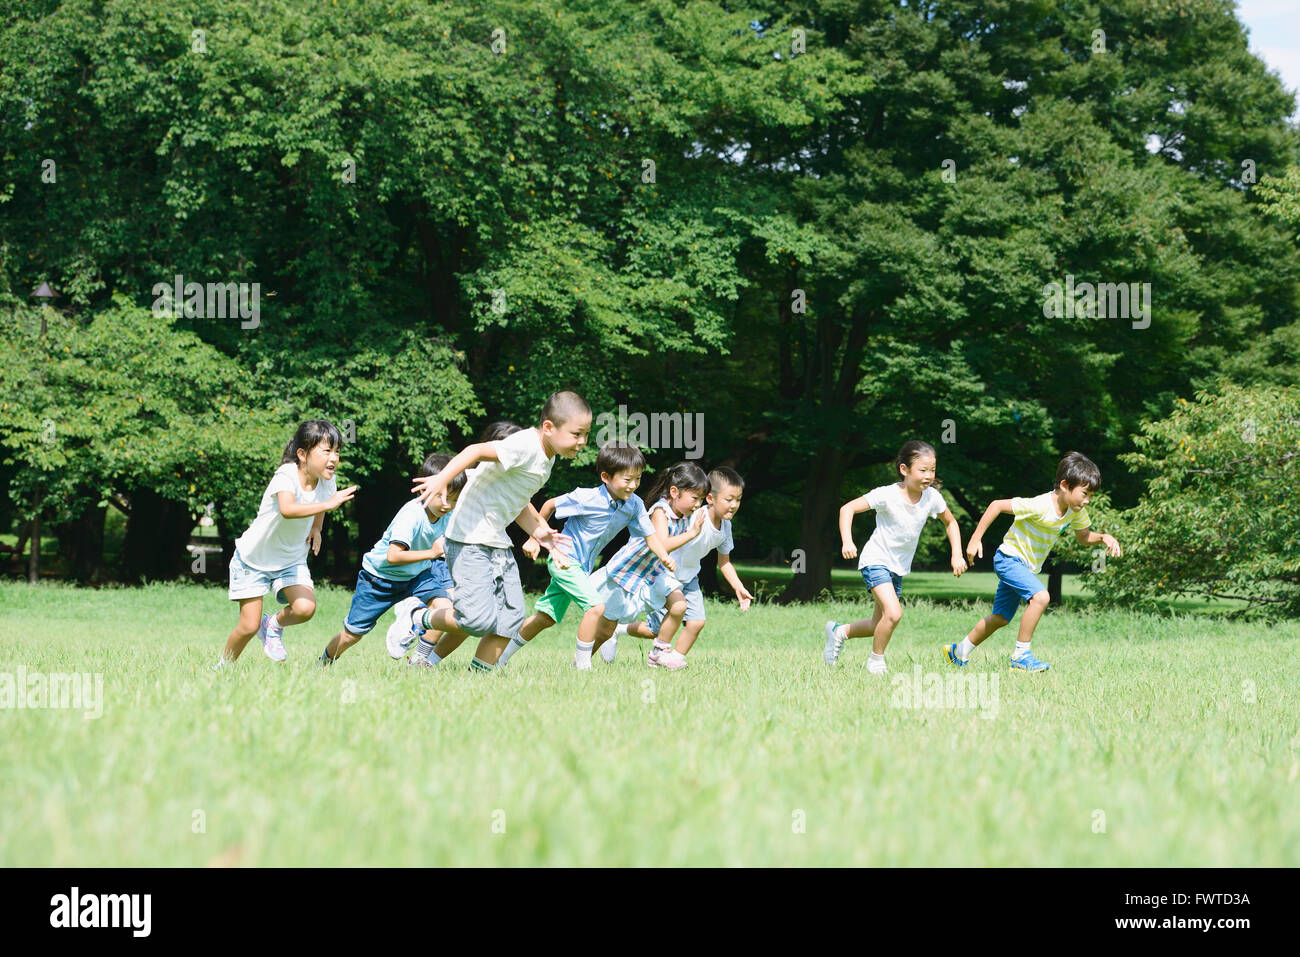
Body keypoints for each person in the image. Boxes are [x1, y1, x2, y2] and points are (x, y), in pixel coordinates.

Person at [408, 392, 588, 670]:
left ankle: (477, 677)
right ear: (549, 427)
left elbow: (515, 503)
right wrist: (442, 479)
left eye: (586, 434)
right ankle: (419, 618)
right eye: (576, 434)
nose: (582, 442)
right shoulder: (526, 445)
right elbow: (474, 451)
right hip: (469, 539)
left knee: (511, 618)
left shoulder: (547, 458)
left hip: (495, 541)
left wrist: (540, 533)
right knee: (476, 621)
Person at [495, 442, 673, 668]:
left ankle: (499, 658)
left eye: (637, 479)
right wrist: (534, 537)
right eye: (627, 480)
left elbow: (650, 536)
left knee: (545, 617)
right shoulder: (586, 498)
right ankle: (581, 668)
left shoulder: (634, 505)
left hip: (582, 567)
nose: (633, 485)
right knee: (596, 607)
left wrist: (664, 556)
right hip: (564, 559)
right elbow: (549, 505)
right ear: (606, 477)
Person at [945, 451, 1121, 672]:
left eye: (1090, 496)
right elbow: (996, 505)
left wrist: (1103, 537)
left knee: (1000, 617)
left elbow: (1083, 537)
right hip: (1008, 559)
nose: (1087, 501)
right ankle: (1020, 656)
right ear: (1065, 485)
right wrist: (974, 539)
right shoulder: (1040, 505)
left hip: (1025, 567)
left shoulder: (1075, 511)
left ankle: (958, 652)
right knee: (1041, 597)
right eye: (1084, 493)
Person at [216, 420, 356, 666]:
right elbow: (288, 509)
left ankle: (273, 624)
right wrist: (327, 505)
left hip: (291, 559)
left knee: (305, 608)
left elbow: (323, 499)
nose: (333, 458)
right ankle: (223, 667)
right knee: (248, 626)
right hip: (254, 559)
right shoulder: (286, 475)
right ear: (302, 454)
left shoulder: (326, 479)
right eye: (326, 451)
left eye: (337, 451)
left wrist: (316, 527)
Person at [824, 441, 967, 674]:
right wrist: (848, 541)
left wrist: (957, 554)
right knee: (894, 613)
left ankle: (838, 632)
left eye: (932, 470)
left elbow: (950, 522)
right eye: (922, 470)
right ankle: (876, 662)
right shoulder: (887, 494)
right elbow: (847, 509)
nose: (929, 476)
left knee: (877, 624)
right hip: (875, 560)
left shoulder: (932, 498)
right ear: (904, 469)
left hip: (898, 568)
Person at [318, 453, 465, 666]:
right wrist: (432, 554)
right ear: (424, 489)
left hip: (417, 576)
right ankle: (324, 662)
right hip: (379, 580)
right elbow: (393, 556)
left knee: (446, 610)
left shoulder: (448, 514)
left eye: (453, 499)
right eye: (441, 496)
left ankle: (417, 643)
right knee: (352, 634)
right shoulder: (412, 515)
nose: (447, 505)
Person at [602, 466, 753, 665]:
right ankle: (622, 634)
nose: (734, 505)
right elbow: (664, 535)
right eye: (729, 499)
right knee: (656, 629)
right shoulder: (693, 514)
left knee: (696, 623)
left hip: (689, 578)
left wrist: (739, 587)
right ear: (710, 498)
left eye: (738, 499)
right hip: (663, 575)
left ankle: (671, 660)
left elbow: (724, 562)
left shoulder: (726, 526)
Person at [585, 461, 709, 671]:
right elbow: (660, 545)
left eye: (701, 499)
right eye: (694, 498)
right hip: (627, 572)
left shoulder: (683, 516)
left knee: (679, 606)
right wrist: (692, 534)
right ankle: (582, 661)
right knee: (606, 630)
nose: (697, 504)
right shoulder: (660, 511)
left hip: (654, 574)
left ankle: (659, 653)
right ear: (674, 492)